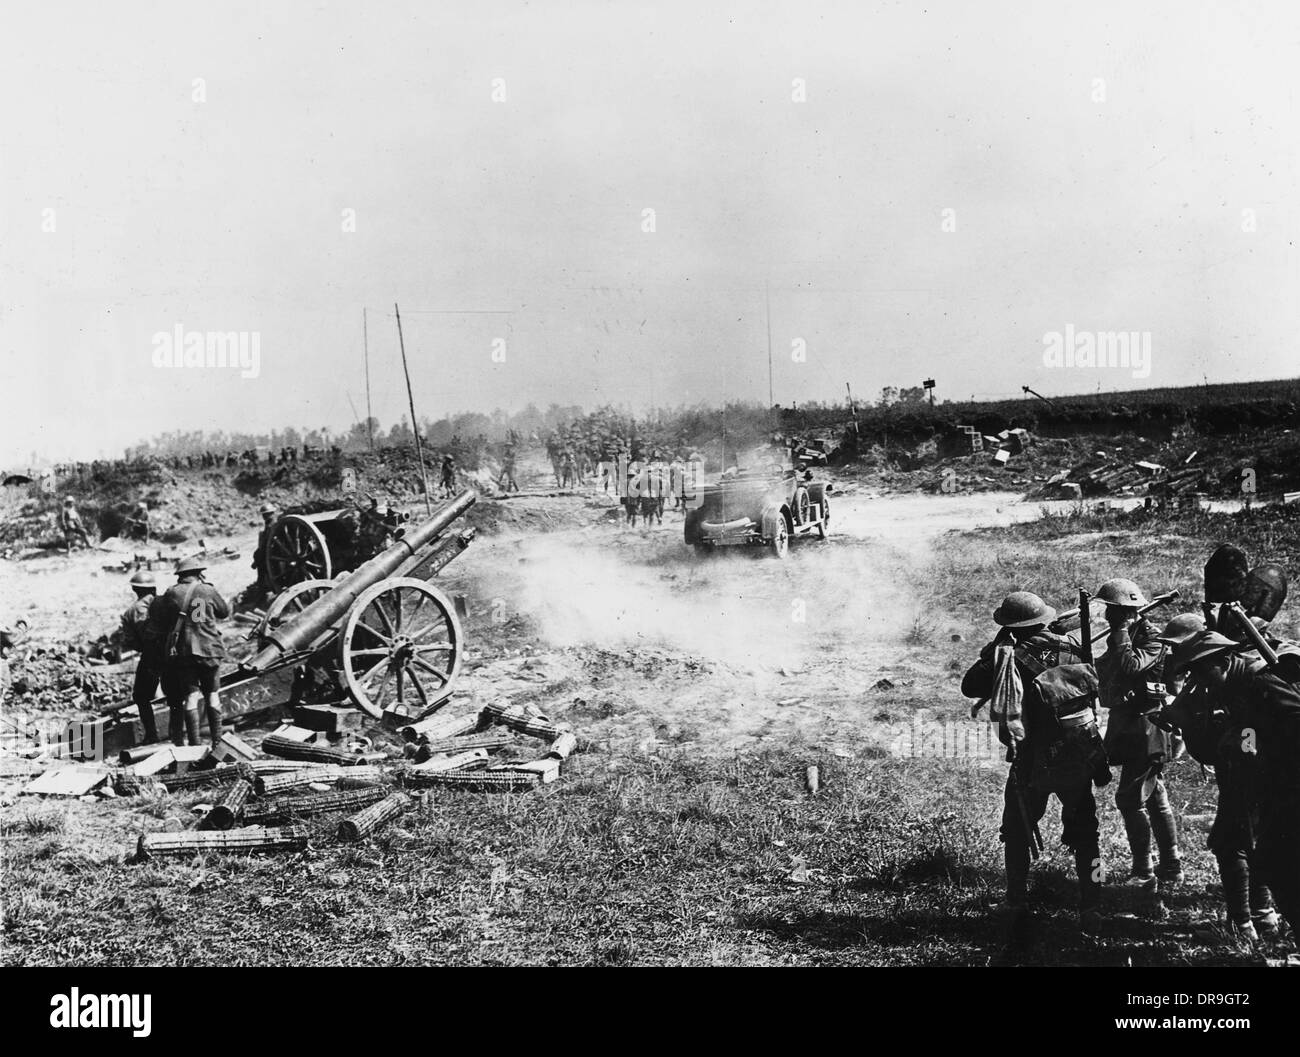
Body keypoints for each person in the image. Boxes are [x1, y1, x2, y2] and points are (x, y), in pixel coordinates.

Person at [962, 591, 1106, 935]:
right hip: (1078, 752)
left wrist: (1001, 643)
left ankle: (1016, 900)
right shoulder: (1073, 645)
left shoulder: (1010, 655)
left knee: (1015, 829)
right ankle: (1093, 905)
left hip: (1034, 757)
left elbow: (970, 685)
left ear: (1011, 626)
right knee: (1088, 836)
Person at [1163, 629, 1285, 942]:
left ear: (1225, 659)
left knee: (1231, 843)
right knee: (1250, 842)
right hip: (1249, 777)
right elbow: (1210, 750)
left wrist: (1232, 741)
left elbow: (1248, 744)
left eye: (1203, 671)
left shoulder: (1256, 682)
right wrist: (1186, 723)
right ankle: (1262, 918)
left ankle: (1243, 926)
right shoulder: (1225, 683)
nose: (1199, 679)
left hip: (1267, 777)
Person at [1094, 578, 1182, 889]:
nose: (1106, 617)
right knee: (1155, 796)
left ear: (1125, 612)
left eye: (1112, 612)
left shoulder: (1151, 639)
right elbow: (1107, 667)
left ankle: (1144, 871)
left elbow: (1131, 667)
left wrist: (1120, 633)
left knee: (1129, 799)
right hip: (1129, 726)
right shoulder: (1126, 634)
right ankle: (1171, 865)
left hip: (1147, 728)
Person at [153, 556, 229, 747]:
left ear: (180, 575)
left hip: (184, 652)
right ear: (199, 573)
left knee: (191, 697)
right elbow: (224, 612)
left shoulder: (172, 592)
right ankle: (217, 743)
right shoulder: (207, 590)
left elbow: (161, 618)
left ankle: (195, 745)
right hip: (210, 650)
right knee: (212, 695)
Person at [114, 570, 162, 744]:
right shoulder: (166, 603)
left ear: (135, 589)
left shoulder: (132, 611)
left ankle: (151, 735)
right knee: (178, 694)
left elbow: (132, 641)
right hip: (174, 654)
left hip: (151, 657)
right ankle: (178, 734)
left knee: (141, 696)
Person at [252, 502, 278, 593]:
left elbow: (265, 544)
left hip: (272, 552)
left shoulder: (271, 525)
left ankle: (262, 587)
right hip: (274, 549)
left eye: (265, 514)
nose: (264, 516)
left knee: (260, 562)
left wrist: (256, 560)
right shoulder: (274, 522)